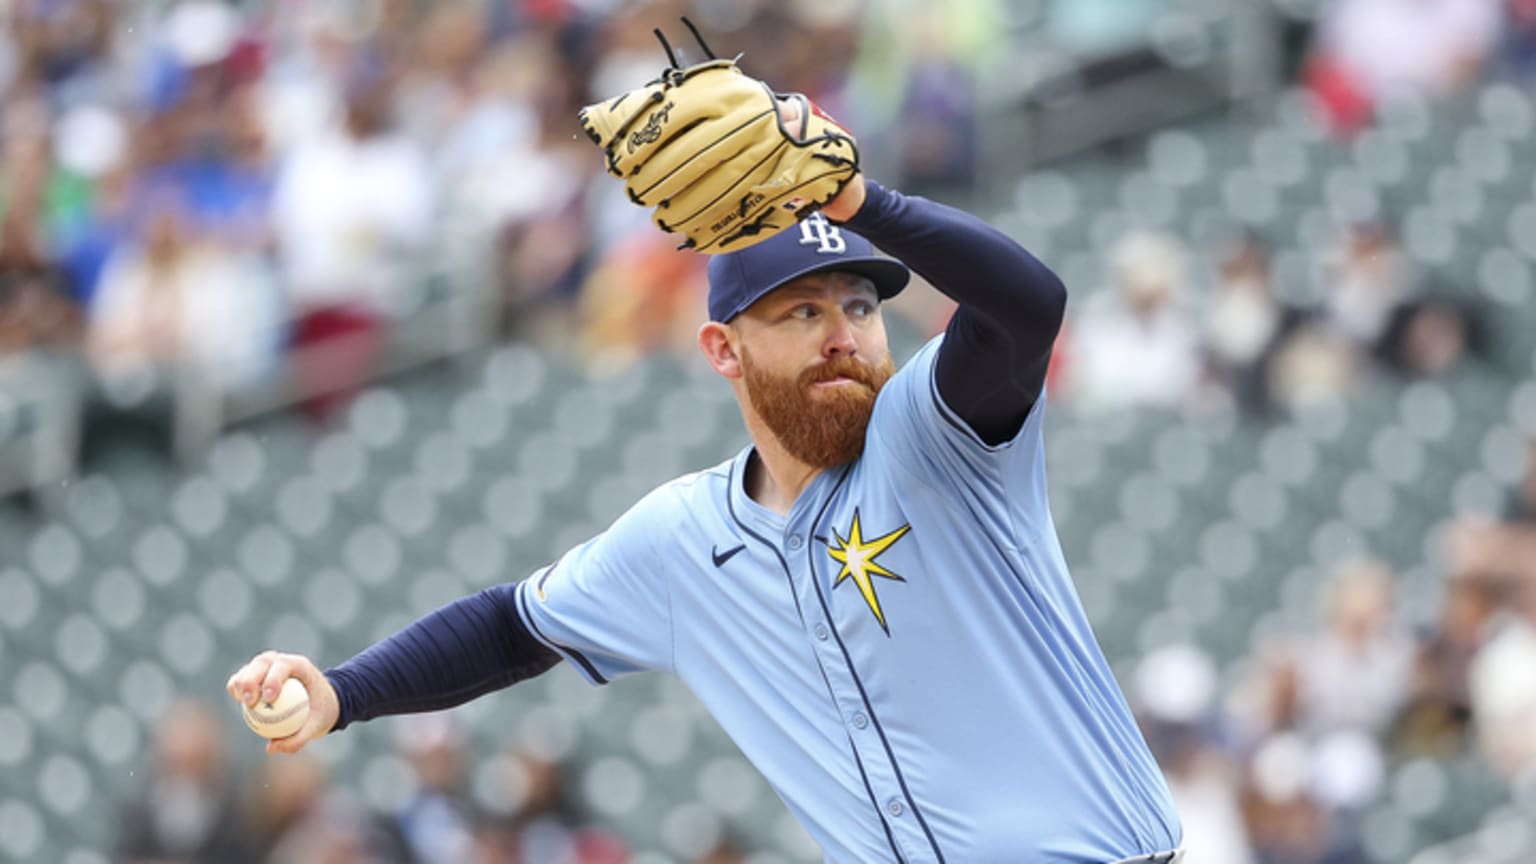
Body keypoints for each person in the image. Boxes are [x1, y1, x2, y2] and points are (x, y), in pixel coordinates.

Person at [228, 95, 1183, 862]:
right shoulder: (683, 541)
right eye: (802, 312)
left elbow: (1029, 307)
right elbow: (510, 624)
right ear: (723, 350)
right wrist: (344, 693)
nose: (845, 332)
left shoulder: (936, 437)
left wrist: (864, 207)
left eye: (860, 303)